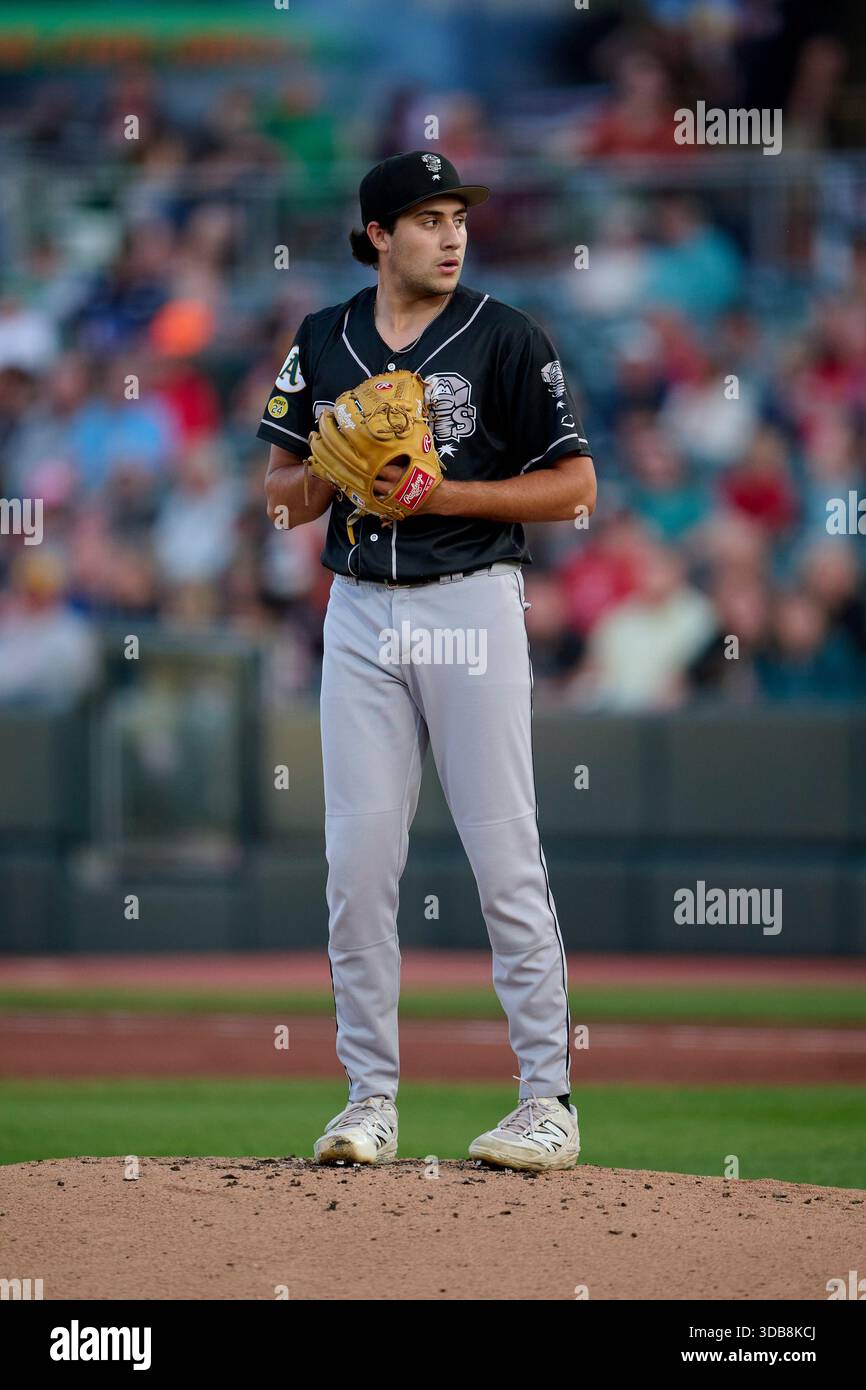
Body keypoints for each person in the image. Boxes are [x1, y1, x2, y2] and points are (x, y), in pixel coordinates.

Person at [258, 152, 596, 1172]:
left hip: (471, 604)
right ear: (375, 235)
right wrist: (328, 463)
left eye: (456, 216)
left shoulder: (503, 334)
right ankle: (368, 1099)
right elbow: (276, 498)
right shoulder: (323, 339)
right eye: (425, 218)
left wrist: (443, 495)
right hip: (357, 611)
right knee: (356, 867)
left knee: (504, 855)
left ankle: (547, 1099)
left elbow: (575, 486)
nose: (449, 235)